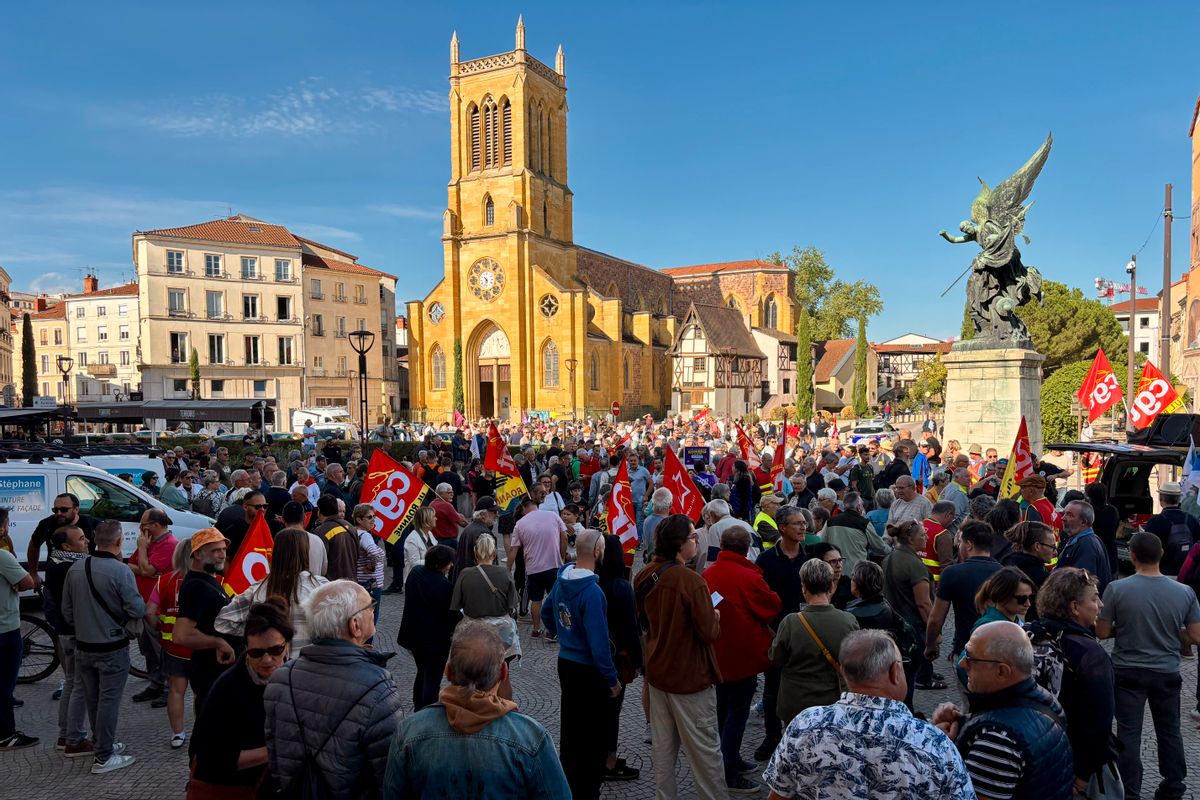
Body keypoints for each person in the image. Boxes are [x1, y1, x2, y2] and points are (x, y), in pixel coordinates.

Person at [763, 630, 975, 799]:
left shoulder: (805, 725)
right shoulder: (934, 744)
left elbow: (779, 794)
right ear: (894, 672)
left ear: (844, 673)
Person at [382, 621, 571, 798]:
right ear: (503, 673)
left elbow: (391, 794)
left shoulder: (409, 732)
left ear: (448, 671)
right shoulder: (532, 738)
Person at [265, 579, 403, 797]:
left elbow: (275, 757)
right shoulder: (378, 686)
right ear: (354, 625)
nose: (373, 610)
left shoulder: (281, 678)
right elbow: (389, 774)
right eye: (370, 607)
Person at [1096, 531, 1200, 800]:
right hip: (1166, 671)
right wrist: (1170, 631)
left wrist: (1127, 628)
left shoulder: (1117, 589)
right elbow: (1196, 636)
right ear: (1162, 554)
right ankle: (1173, 785)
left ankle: (1130, 790)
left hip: (1127, 670)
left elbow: (1103, 631)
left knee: (1129, 733)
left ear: (1131, 556)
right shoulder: (1184, 592)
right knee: (1170, 730)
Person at [633, 514, 726, 799]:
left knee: (663, 752)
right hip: (689, 679)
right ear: (679, 545)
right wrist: (716, 616)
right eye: (692, 537)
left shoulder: (644, 574)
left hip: (658, 674)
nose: (696, 540)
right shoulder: (691, 581)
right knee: (705, 755)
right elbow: (708, 632)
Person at [932, 621, 1075, 800]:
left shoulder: (998, 740)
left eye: (970, 658)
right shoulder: (1044, 700)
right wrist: (963, 724)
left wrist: (939, 748)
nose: (961, 664)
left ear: (1002, 671)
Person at [540, 529, 620, 799]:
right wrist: (611, 678)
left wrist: (561, 633)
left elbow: (546, 611)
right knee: (594, 730)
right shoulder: (592, 592)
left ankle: (569, 778)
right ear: (598, 552)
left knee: (571, 724)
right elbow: (599, 644)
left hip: (567, 661)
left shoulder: (563, 580)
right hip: (588, 668)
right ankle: (588, 787)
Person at [61, 520, 146, 773]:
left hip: (84, 646)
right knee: (108, 701)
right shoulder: (120, 571)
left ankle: (101, 744)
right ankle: (104, 756)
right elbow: (137, 608)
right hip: (112, 646)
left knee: (92, 698)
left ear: (95, 539)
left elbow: (66, 611)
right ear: (119, 541)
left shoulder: (75, 568)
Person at [1026, 568, 1119, 795]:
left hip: (1030, 752)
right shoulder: (1090, 654)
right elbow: (1099, 720)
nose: (1101, 605)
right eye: (1095, 598)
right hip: (1072, 758)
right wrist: (1084, 774)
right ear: (1075, 607)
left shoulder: (1026, 635)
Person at [702, 525, 781, 794]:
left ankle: (730, 758)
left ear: (722, 546)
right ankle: (729, 772)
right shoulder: (748, 577)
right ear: (747, 548)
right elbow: (771, 606)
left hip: (717, 653)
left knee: (724, 710)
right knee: (736, 715)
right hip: (742, 656)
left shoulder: (708, 573)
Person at [188, 599, 293, 798]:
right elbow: (212, 759)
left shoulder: (291, 677)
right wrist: (277, 750)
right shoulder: (228, 689)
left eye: (275, 650)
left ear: (287, 645)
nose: (267, 660)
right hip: (229, 788)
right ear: (246, 647)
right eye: (256, 652)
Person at [770, 557, 859, 726]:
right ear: (831, 586)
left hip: (796, 704)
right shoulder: (848, 621)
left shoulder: (791, 622)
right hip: (833, 704)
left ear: (804, 588)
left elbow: (776, 659)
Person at [753, 504, 808, 760]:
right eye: (797, 523)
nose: (803, 527)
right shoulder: (765, 560)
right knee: (772, 689)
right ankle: (772, 736)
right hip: (775, 634)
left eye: (804, 523)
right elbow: (757, 600)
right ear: (782, 528)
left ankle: (799, 737)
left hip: (806, 633)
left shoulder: (810, 557)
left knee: (802, 687)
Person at [215, 528, 328, 651]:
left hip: (268, 664)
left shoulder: (258, 590)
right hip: (306, 664)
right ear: (304, 552)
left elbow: (222, 622)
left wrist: (259, 633)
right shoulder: (322, 587)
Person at [924, 521, 1001, 683]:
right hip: (998, 650)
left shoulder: (952, 573)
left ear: (969, 545)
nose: (958, 547)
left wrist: (930, 644)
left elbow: (936, 619)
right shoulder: (1004, 573)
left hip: (967, 650)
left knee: (968, 702)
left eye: (960, 543)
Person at [172, 528, 236, 712]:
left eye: (224, 549)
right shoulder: (196, 586)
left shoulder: (208, 580)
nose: (222, 555)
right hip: (210, 672)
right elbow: (181, 635)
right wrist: (219, 643)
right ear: (198, 554)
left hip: (218, 671)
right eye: (216, 551)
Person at [41, 525, 91, 753]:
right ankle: (74, 738)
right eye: (81, 539)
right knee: (79, 685)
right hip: (74, 632)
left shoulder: (57, 561)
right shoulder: (71, 566)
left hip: (66, 630)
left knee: (72, 682)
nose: (87, 541)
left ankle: (66, 735)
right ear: (67, 546)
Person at [596, 533, 641, 782]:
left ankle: (599, 754)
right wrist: (638, 661)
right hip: (617, 657)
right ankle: (609, 762)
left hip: (596, 654)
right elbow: (632, 629)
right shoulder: (621, 587)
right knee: (613, 710)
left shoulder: (593, 582)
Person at [397, 545, 461, 711]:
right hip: (435, 641)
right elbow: (452, 615)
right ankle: (428, 711)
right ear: (441, 565)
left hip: (414, 635)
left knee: (422, 672)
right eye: (449, 563)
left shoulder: (416, 573)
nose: (451, 566)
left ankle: (419, 707)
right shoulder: (444, 586)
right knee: (432, 677)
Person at [127, 508, 178, 705]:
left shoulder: (168, 544)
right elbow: (129, 565)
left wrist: (142, 552)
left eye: (143, 525)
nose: (140, 529)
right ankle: (155, 683)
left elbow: (145, 570)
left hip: (158, 607)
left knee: (161, 648)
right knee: (148, 648)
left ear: (155, 525)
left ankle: (168, 687)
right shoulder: (151, 542)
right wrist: (144, 567)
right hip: (144, 602)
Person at [883, 520, 939, 694]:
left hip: (894, 621)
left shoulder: (888, 558)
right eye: (923, 535)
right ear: (912, 540)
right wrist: (934, 632)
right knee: (909, 676)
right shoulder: (915, 565)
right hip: (912, 626)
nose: (926, 537)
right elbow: (923, 604)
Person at [147, 537, 192, 748]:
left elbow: (149, 612)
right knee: (202, 692)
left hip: (172, 646)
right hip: (199, 647)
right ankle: (203, 730)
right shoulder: (212, 580)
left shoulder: (163, 581)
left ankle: (177, 734)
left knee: (175, 690)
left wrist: (159, 627)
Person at [508, 497, 568, 640]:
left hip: (533, 568)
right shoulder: (553, 516)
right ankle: (552, 630)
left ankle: (536, 629)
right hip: (554, 564)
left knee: (536, 600)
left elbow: (513, 550)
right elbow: (564, 537)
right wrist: (562, 557)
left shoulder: (520, 524)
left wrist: (507, 570)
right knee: (555, 598)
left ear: (523, 508)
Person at [0, 532, 36, 751]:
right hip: (5, 629)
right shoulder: (3, 557)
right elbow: (28, 582)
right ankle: (5, 735)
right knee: (4, 685)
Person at [25, 492, 99, 590]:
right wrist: (33, 573)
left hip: (85, 579)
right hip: (55, 581)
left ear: (76, 509)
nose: (59, 513)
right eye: (55, 510)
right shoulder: (47, 524)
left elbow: (112, 546)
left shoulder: (92, 524)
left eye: (64, 510)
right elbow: (34, 545)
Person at [1000, 522, 1055, 622]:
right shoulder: (1041, 577)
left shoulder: (1007, 564)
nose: (1055, 552)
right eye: (1052, 547)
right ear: (1037, 546)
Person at [821, 492, 889, 574]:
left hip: (835, 570)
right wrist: (891, 550)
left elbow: (822, 543)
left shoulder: (830, 521)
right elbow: (879, 546)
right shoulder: (864, 523)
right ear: (858, 507)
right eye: (862, 505)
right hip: (857, 572)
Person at [1143, 480, 1200, 576]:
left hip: (1162, 573)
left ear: (1161, 500)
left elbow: (1147, 550)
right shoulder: (1191, 519)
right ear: (1179, 499)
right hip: (1187, 573)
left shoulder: (1155, 522)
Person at [1056, 499, 1112, 593]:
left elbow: (1083, 585)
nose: (1063, 518)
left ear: (1083, 522)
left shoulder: (1087, 545)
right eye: (1064, 513)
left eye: (1070, 515)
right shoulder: (1080, 540)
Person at [351, 504, 386, 628]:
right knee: (370, 622)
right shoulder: (365, 535)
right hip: (370, 583)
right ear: (359, 520)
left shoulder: (353, 532)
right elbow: (374, 552)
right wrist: (374, 562)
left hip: (359, 581)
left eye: (374, 516)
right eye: (369, 517)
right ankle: (367, 646)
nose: (373, 520)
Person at [313, 494, 359, 583]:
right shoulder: (351, 527)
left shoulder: (321, 531)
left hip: (332, 586)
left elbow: (319, 563)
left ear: (319, 511)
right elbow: (357, 555)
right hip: (352, 582)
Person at [454, 495, 499, 575]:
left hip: (467, 579)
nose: (497, 515)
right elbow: (488, 566)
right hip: (477, 580)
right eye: (493, 512)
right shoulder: (483, 534)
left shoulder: (469, 529)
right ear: (482, 515)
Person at [1084, 481, 1120, 575]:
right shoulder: (1112, 510)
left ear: (1090, 497)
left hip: (1093, 554)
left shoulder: (1089, 512)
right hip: (1110, 552)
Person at [402, 506, 437, 585]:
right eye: (433, 516)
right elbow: (415, 563)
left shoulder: (429, 533)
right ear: (426, 519)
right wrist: (437, 561)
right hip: (417, 580)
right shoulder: (412, 539)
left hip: (427, 577)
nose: (436, 519)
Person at [430, 482, 467, 546]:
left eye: (452, 492)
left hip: (435, 540)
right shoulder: (446, 505)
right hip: (449, 541)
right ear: (441, 494)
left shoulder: (431, 504)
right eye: (449, 492)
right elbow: (462, 523)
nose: (452, 494)